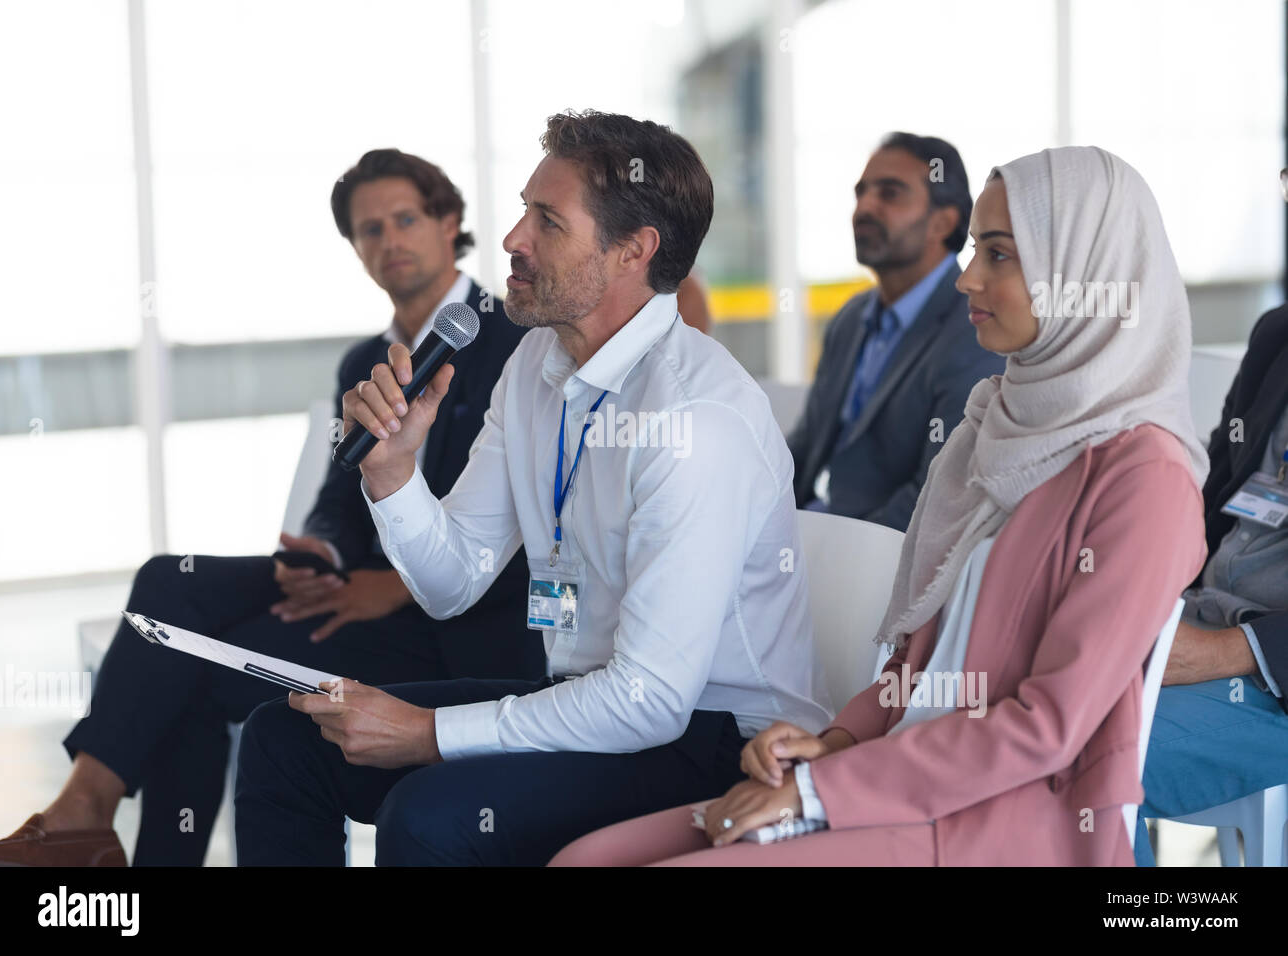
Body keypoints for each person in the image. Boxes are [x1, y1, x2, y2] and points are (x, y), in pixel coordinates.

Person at [551, 145, 1210, 867]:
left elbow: (1047, 728)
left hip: (999, 822)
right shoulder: (992, 427)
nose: (967, 277)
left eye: (999, 255)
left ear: (1086, 274)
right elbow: (913, 661)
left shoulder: (1145, 479)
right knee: (587, 859)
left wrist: (819, 792)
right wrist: (830, 744)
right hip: (887, 778)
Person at [231, 110, 831, 867]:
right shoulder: (535, 367)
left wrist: (425, 735)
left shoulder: (691, 420)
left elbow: (650, 702)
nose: (512, 239)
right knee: (286, 736)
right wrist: (393, 476)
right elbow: (454, 583)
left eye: (547, 221)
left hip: (712, 741)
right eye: (523, 210)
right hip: (579, 693)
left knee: (429, 814)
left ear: (632, 252)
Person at [0, 149, 540, 867]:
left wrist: (393, 585)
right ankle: (87, 818)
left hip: (448, 617)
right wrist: (324, 553)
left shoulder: (514, 342)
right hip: (355, 587)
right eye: (369, 230)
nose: (389, 242)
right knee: (168, 583)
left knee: (183, 673)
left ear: (450, 222)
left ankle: (86, 828)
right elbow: (338, 504)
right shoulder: (364, 361)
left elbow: (530, 520)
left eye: (405, 220)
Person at [1132, 166, 1288, 865]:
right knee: (1010, 717)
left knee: (1078, 761)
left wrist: (1231, 654)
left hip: (1266, 678)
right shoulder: (1277, 334)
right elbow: (1215, 492)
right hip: (1198, 623)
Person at [788, 132, 1004, 530]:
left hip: (875, 558)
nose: (864, 207)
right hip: (807, 539)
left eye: (890, 194)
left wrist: (831, 547)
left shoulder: (976, 327)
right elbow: (803, 449)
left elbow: (934, 492)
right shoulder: (850, 319)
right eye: (861, 193)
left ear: (943, 221)